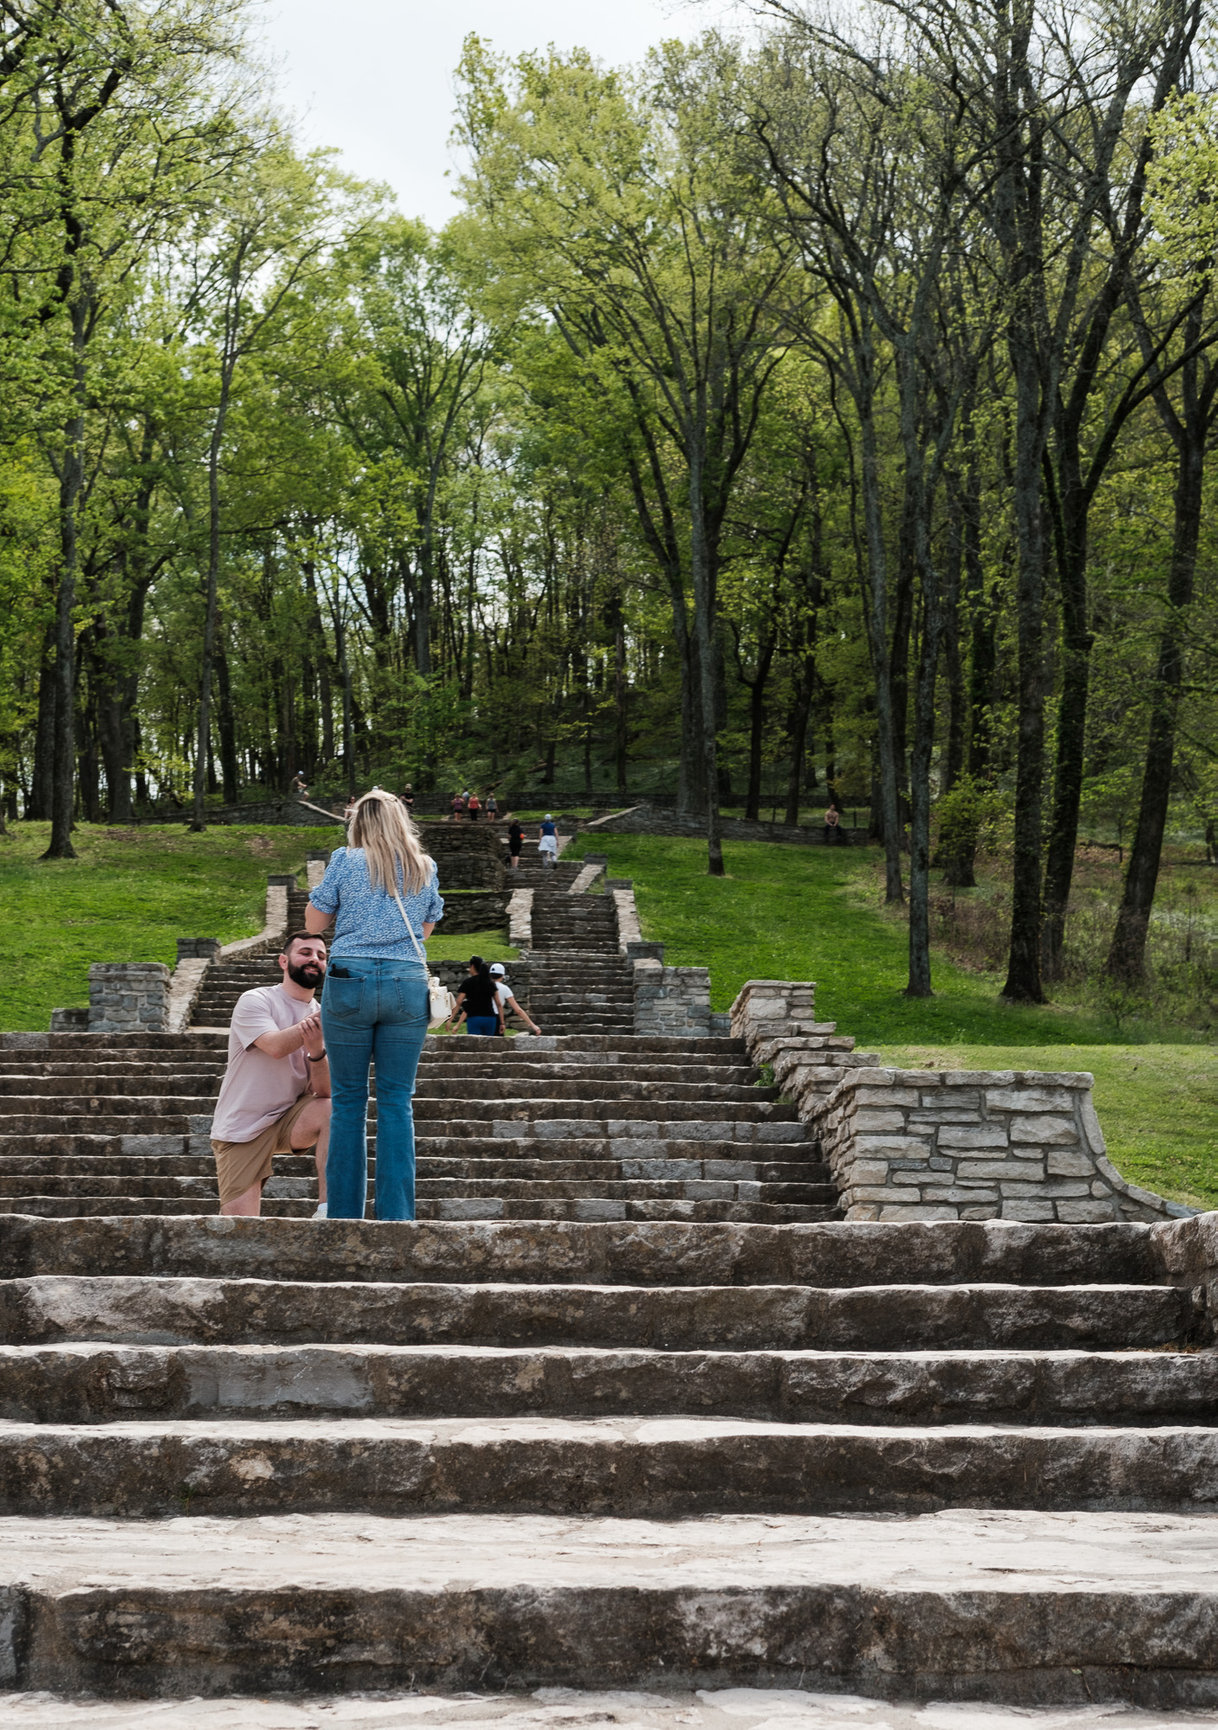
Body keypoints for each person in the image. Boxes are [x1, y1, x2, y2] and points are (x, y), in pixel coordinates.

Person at [305, 789, 444, 1221]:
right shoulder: (423, 865)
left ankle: (344, 1214)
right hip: (406, 980)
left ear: (357, 821)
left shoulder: (345, 860)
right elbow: (425, 928)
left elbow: (314, 923)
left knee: (348, 1101)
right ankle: (397, 1216)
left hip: (351, 978)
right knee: (397, 1101)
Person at [209, 932, 332, 1220]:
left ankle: (329, 1207)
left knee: (333, 1108)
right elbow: (275, 1046)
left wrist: (317, 1051)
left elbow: (324, 1091)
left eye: (321, 956)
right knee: (241, 1229)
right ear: (283, 961)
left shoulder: (323, 1014)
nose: (314, 959)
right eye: (305, 952)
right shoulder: (256, 1000)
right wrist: (331, 1014)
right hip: (243, 1127)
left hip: (289, 1117)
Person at [447, 956, 502, 1036]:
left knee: (474, 1042)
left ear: (472, 966)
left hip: (474, 1017)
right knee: (488, 1042)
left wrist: (450, 1019)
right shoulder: (490, 983)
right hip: (490, 1018)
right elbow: (499, 1004)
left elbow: (459, 1002)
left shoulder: (468, 982)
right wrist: (502, 1022)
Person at [489, 961, 541, 1036]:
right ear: (502, 976)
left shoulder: (483, 986)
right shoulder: (505, 989)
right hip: (496, 1018)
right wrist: (532, 1025)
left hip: (482, 1016)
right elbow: (518, 1010)